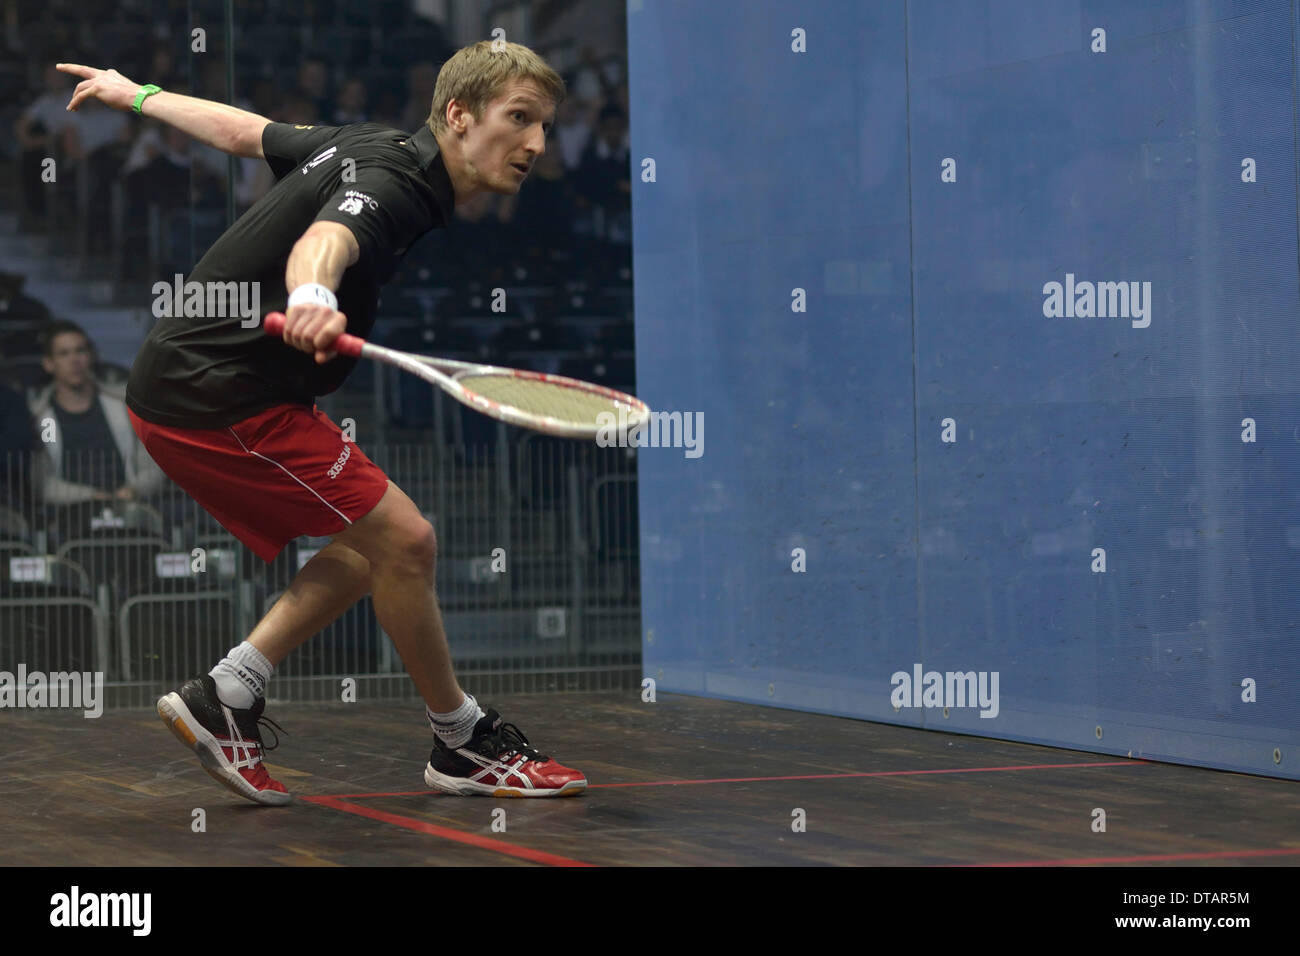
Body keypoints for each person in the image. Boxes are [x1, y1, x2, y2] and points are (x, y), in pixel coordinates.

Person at [55, 40, 584, 805]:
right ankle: (462, 740)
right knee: (409, 540)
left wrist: (134, 94)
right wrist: (312, 295)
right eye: (520, 118)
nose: (537, 143)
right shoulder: (394, 181)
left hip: (208, 386)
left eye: (546, 125)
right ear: (460, 115)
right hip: (215, 396)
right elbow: (326, 240)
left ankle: (227, 693)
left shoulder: (368, 141)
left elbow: (245, 133)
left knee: (375, 548)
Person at [28, 320, 165, 508]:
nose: (74, 360)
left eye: (80, 351)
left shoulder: (125, 406)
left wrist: (134, 489)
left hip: (130, 508)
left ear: (91, 356)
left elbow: (152, 467)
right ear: (49, 364)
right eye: (64, 353)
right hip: (67, 517)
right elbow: (44, 485)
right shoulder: (40, 418)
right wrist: (93, 496)